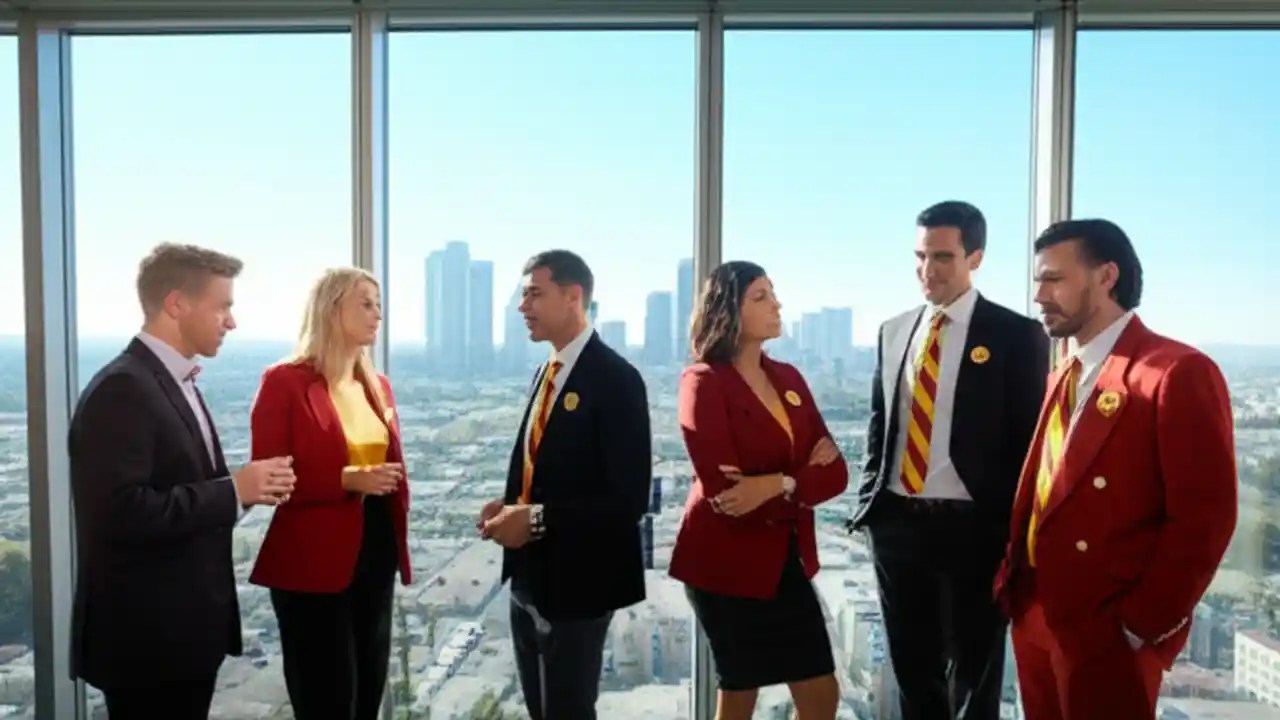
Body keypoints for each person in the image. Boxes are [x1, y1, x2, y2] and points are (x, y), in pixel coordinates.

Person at [993, 219, 1237, 720]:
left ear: (1107, 277)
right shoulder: (1067, 370)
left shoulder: (1175, 372)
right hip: (1036, 608)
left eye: (1053, 279)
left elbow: (1204, 520)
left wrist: (1139, 625)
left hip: (1106, 627)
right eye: (1038, 281)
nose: (1038, 295)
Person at [69, 243, 296, 719]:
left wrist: (247, 491)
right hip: (148, 645)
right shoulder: (123, 388)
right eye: (223, 306)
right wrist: (234, 489)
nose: (231, 322)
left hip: (183, 638)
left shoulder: (171, 381)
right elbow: (120, 512)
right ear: (177, 304)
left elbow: (184, 492)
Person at [849, 201, 1048, 720]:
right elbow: (881, 423)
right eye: (919, 256)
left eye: (942, 256)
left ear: (974, 257)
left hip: (974, 532)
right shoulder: (895, 331)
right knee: (913, 677)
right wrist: (875, 503)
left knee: (974, 681)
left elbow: (1029, 442)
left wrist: (1011, 529)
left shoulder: (1015, 335)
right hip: (897, 525)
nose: (927, 269)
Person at [477, 250, 651, 720]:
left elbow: (627, 499)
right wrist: (510, 504)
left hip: (579, 586)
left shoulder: (617, 380)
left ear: (573, 297)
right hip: (530, 582)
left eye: (535, 293)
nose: (522, 306)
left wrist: (531, 518)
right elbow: (554, 469)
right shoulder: (546, 372)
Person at [669, 261, 846, 720]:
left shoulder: (789, 378)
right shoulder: (703, 382)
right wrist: (800, 474)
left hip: (785, 558)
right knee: (740, 693)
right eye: (761, 296)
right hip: (723, 562)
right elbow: (729, 498)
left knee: (821, 692)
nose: (777, 304)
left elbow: (837, 472)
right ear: (729, 310)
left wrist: (776, 482)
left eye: (774, 293)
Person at [248, 268, 412, 720]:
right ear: (331, 308)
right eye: (366, 303)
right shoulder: (284, 381)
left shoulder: (378, 386)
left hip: (375, 554)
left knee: (366, 695)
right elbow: (270, 478)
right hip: (311, 564)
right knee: (327, 700)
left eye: (379, 304)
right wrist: (344, 480)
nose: (378, 313)